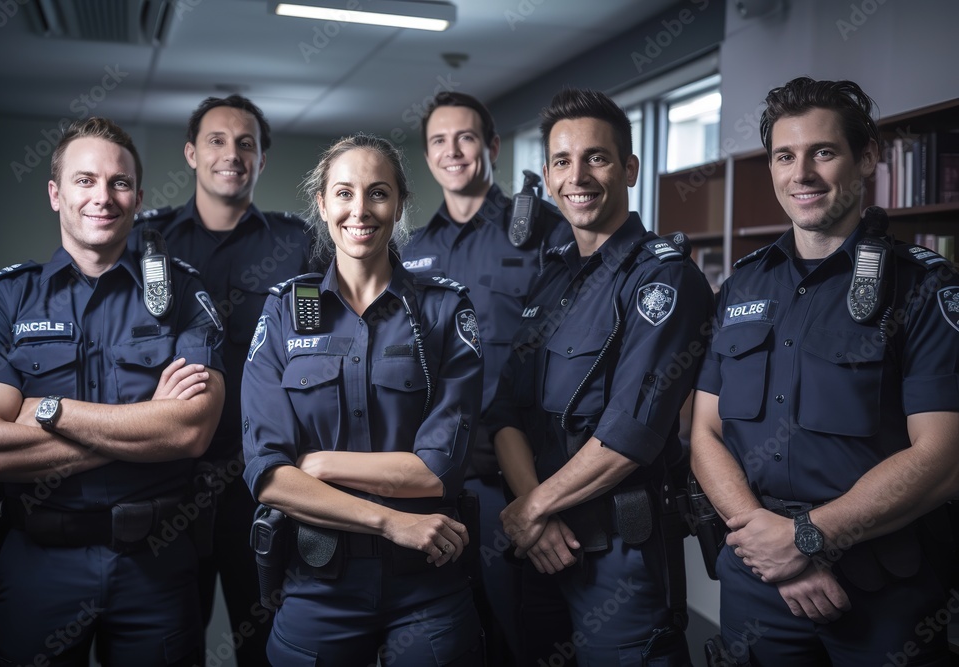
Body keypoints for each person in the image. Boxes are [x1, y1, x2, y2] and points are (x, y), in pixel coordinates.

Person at [690, 77, 959, 665]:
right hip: (756, 580)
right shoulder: (742, 284)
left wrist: (807, 537)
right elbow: (705, 434)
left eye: (823, 152)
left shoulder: (923, 286)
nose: (801, 174)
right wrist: (771, 546)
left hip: (881, 589)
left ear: (866, 157)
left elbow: (943, 459)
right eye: (785, 156)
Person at [0, 117, 225, 665]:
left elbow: (192, 431)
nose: (102, 197)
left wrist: (49, 411)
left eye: (119, 183)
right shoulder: (7, 300)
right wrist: (146, 422)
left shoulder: (184, 293)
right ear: (56, 194)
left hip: (156, 564)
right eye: (84, 181)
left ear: (138, 198)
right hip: (38, 565)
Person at [241, 133, 485, 665]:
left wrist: (318, 463)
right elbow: (266, 474)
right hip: (318, 580)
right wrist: (391, 520)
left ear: (398, 205)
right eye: (344, 193)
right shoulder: (284, 312)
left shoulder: (444, 311)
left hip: (428, 584)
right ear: (323, 204)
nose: (360, 210)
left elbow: (437, 470)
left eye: (378, 193)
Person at [488, 87, 712, 665]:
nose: (577, 175)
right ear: (547, 172)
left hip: (620, 557)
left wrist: (531, 511)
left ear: (630, 168)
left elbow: (630, 434)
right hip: (543, 547)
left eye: (598, 157)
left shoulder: (663, 280)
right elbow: (506, 411)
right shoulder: (551, 277)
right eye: (562, 161)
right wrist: (535, 515)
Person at [132, 94, 312, 663]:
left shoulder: (299, 242)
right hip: (163, 481)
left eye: (246, 143)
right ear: (190, 153)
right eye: (216, 140)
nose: (231, 154)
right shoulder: (144, 243)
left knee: (264, 640)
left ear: (262, 158)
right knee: (162, 642)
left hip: (260, 481)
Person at [401, 90, 574, 665]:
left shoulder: (549, 232)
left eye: (466, 137)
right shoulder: (412, 251)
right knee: (446, 636)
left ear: (492, 147)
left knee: (526, 636)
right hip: (438, 484)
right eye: (438, 142)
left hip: (519, 477)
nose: (453, 152)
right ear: (427, 157)